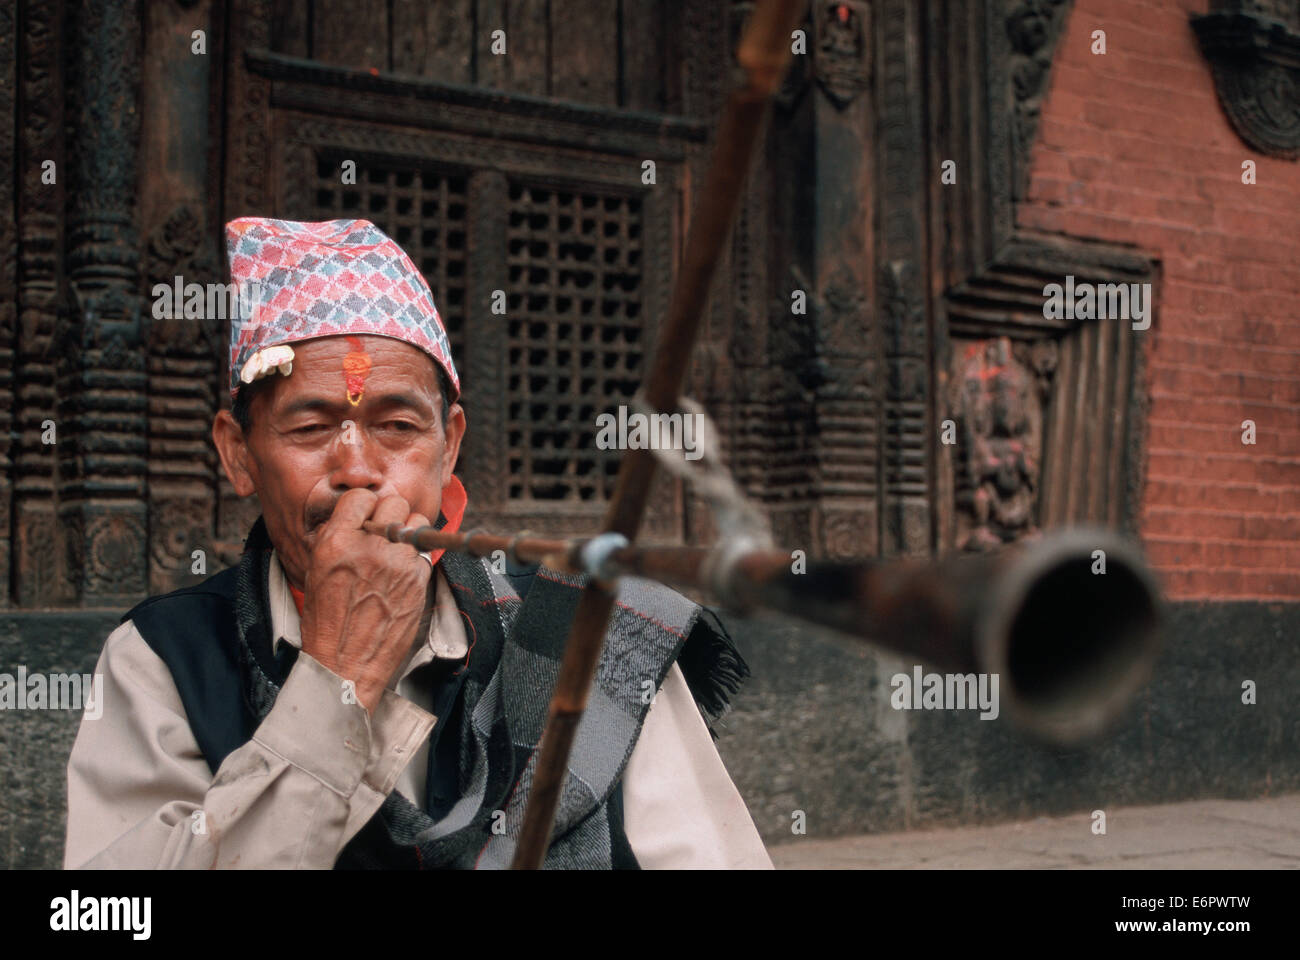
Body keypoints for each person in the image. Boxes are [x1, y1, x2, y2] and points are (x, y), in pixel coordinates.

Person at [63, 217, 772, 869]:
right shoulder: (164, 658)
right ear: (238, 453)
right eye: (310, 429)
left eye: (399, 427)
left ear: (449, 445)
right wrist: (337, 679)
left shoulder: (591, 632)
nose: (358, 470)